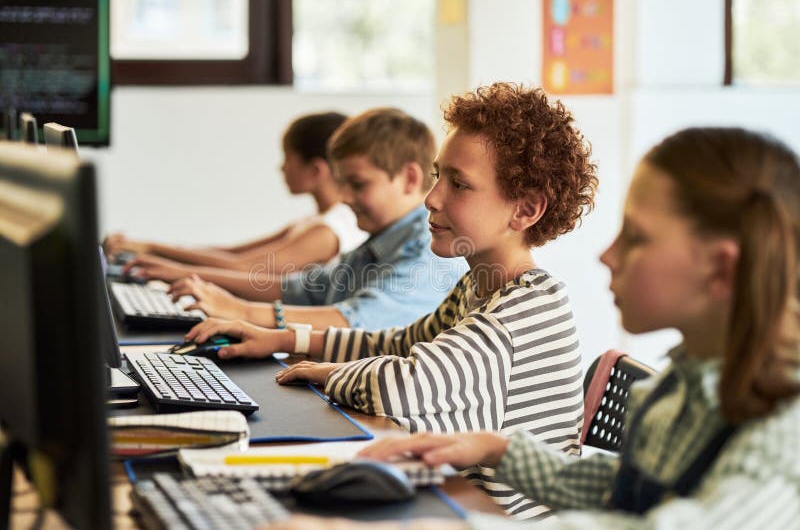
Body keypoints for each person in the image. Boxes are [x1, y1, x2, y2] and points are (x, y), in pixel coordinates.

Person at [274, 127, 800, 530]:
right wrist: (492, 449)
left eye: (636, 238)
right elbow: (622, 489)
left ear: (722, 270)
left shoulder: (780, 439)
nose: (607, 254)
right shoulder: (683, 383)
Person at [187, 83, 599, 518]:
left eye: (458, 184)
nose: (431, 198)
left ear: (525, 210)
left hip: (490, 518)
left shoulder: (527, 311)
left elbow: (403, 386)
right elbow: (402, 342)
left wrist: (328, 372)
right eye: (439, 176)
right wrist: (286, 339)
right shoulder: (479, 285)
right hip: (455, 503)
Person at [152, 107, 466, 330]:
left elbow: (355, 319)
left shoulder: (427, 250)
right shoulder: (375, 245)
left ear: (409, 178)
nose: (345, 198)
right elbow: (297, 290)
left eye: (358, 185)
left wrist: (240, 310)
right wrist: (199, 283)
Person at [104, 111, 367, 273]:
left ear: (316, 170)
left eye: (288, 158)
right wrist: (149, 249)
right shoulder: (311, 222)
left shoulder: (330, 229)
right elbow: (233, 253)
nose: (281, 167)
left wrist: (154, 252)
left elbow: (248, 269)